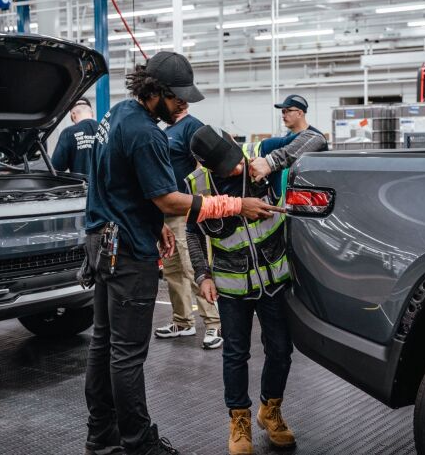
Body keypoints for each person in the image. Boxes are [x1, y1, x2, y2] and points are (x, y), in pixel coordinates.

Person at [83, 51, 284, 455]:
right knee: (127, 356)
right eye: (177, 97)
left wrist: (154, 225)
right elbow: (169, 199)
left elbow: (117, 183)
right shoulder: (147, 133)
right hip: (127, 254)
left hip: (102, 242)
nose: (183, 105)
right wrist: (234, 205)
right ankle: (140, 444)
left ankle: (101, 438)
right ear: (155, 91)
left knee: (104, 346)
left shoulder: (116, 115)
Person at [184, 125, 326, 455]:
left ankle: (270, 410)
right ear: (207, 166)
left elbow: (316, 138)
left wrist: (274, 161)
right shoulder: (196, 186)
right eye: (228, 167)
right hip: (231, 286)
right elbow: (193, 233)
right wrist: (203, 275)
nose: (237, 168)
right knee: (235, 354)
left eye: (236, 159)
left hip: (275, 280)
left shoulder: (261, 156)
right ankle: (239, 420)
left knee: (280, 349)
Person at [154, 105, 222, 350]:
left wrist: (198, 206)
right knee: (172, 270)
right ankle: (182, 321)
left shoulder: (192, 126)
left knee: (192, 268)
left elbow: (203, 167)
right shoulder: (166, 130)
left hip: (185, 211)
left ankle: (214, 323)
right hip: (165, 212)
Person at [248, 94, 325, 190]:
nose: (283, 115)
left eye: (287, 111)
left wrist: (269, 163)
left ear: (299, 113)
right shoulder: (287, 138)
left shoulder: (314, 137)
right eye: (282, 112)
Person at [51, 98, 98, 175]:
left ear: (73, 115)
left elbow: (57, 167)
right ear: (92, 113)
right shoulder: (106, 130)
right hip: (106, 183)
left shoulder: (68, 133)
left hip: (81, 182)